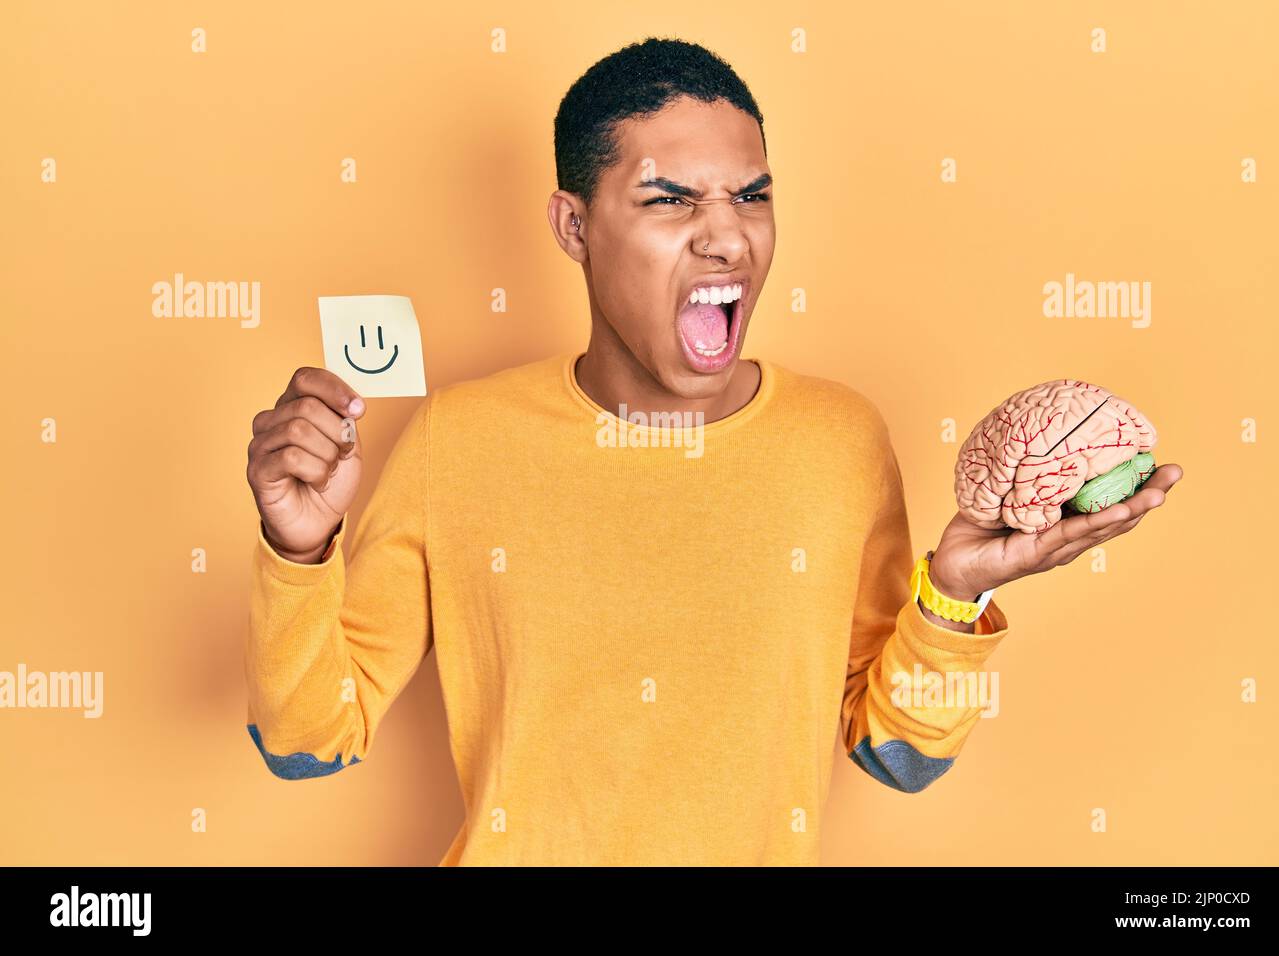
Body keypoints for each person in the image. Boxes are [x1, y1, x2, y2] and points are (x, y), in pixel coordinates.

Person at [243, 37, 1181, 865]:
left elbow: (899, 757)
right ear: (574, 227)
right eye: (670, 200)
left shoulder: (839, 440)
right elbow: (305, 741)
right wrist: (296, 553)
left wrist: (958, 592)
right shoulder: (461, 438)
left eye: (753, 196)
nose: (727, 236)